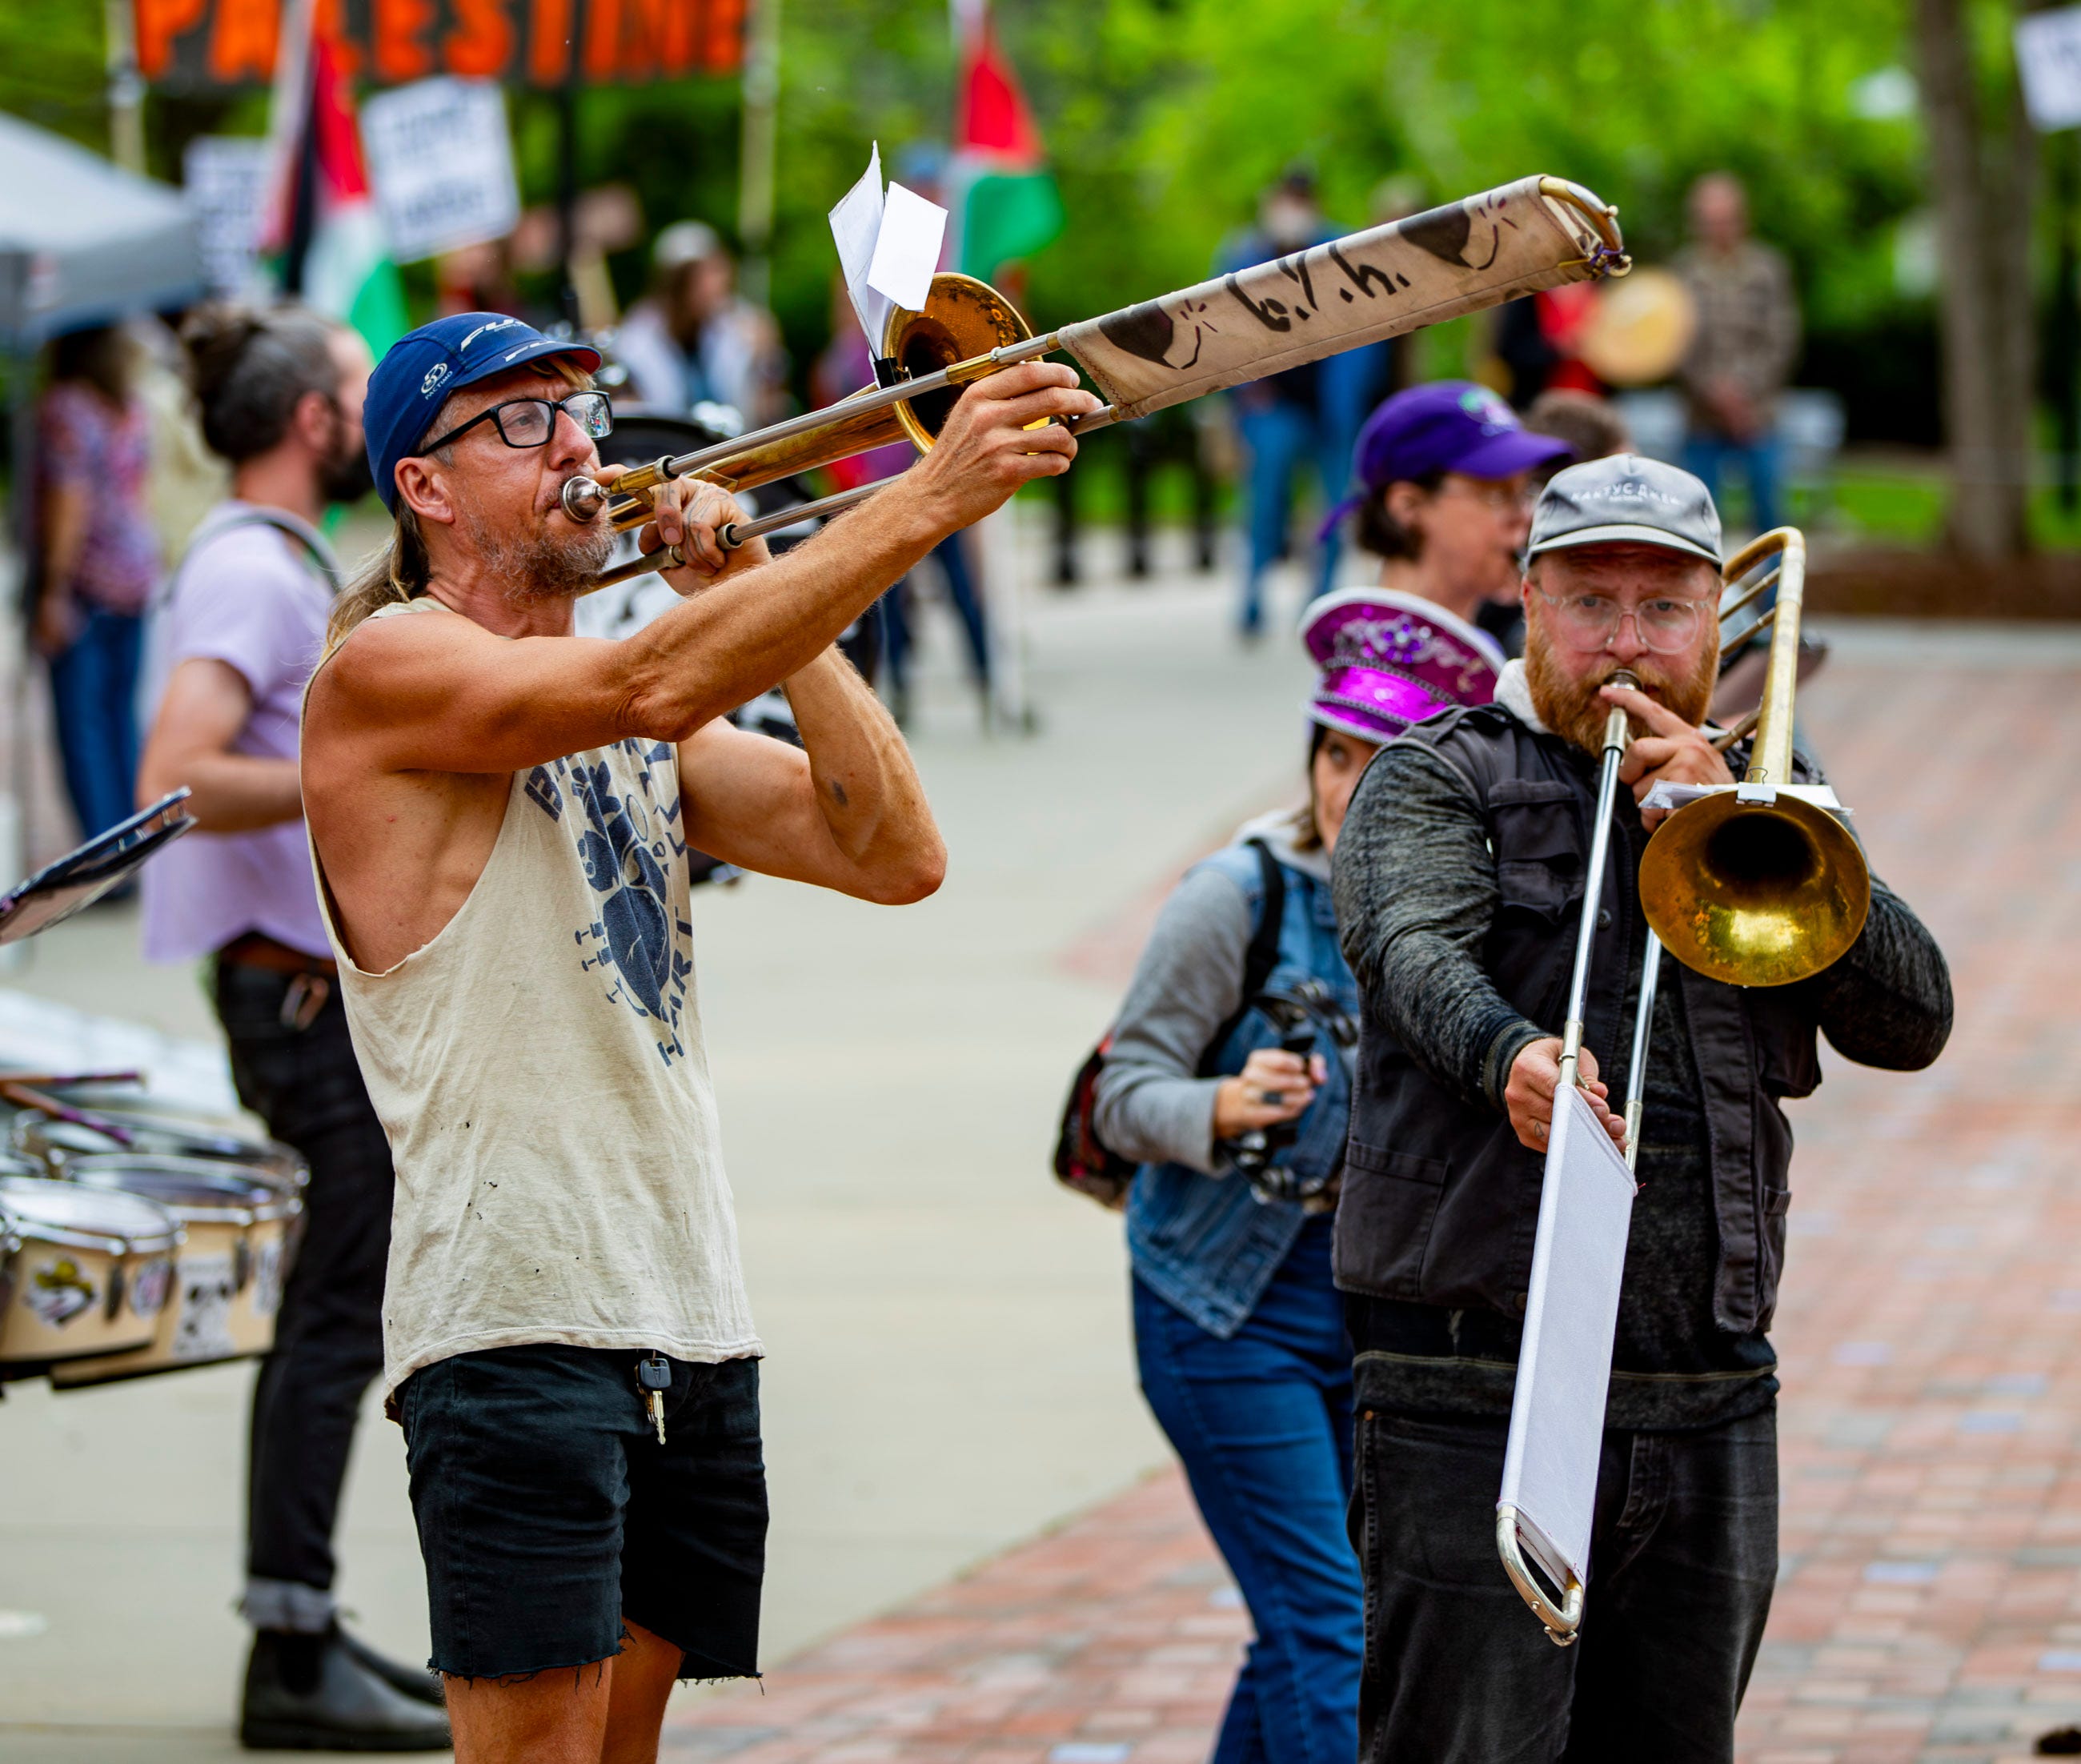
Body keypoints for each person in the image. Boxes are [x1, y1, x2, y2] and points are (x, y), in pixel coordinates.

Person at [299, 311, 1097, 1761]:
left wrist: (771, 581)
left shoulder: (636, 722)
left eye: (578, 405)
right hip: (512, 1312)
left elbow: (892, 850)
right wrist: (930, 495)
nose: (579, 444)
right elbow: (647, 678)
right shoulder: (385, 670)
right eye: (522, 421)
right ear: (425, 486)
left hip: (681, 1308)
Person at [1329, 455, 1952, 1762]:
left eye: (1664, 609)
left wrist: (1731, 804)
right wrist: (1511, 1053)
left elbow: (1912, 1017)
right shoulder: (1437, 769)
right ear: (1525, 599)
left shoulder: (1767, 793)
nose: (1627, 642)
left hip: (1708, 1386)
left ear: (1717, 620)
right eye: (1591, 602)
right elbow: (1407, 945)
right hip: (1468, 1384)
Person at [1092, 578, 1504, 1764]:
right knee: (1335, 1623)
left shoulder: (1460, 917)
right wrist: (1218, 1105)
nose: (1349, 784)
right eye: (1334, 751)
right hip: (1220, 1312)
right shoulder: (1239, 895)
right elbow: (1124, 1096)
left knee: (1304, 1626)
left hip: (1368, 1317)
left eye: (1384, 760)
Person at [134, 304, 450, 1752]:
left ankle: (306, 1622)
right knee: (333, 1316)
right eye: (354, 387)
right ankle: (289, 1641)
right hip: (292, 989)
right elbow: (185, 774)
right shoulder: (255, 575)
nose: (371, 409)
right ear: (315, 423)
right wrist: (350, 756)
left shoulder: (264, 562)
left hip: (292, 976)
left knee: (337, 1310)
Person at [1321, 380, 1574, 661]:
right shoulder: (1377, 675)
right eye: (1497, 495)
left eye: (1526, 491)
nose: (1525, 516)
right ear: (1408, 506)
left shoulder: (1473, 647)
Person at [34, 323, 160, 843]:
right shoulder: (128, 405)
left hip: (89, 582)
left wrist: (52, 588)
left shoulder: (65, 408)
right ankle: (131, 842)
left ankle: (104, 851)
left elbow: (71, 500)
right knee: (120, 717)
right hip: (134, 571)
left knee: (83, 724)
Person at [1221, 167, 1349, 636]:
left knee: (1335, 509)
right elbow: (1217, 328)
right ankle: (1252, 595)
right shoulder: (1245, 254)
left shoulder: (1341, 251)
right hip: (1271, 406)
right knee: (1264, 503)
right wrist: (1243, 397)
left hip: (1332, 406)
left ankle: (1321, 604)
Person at [1676, 173, 1799, 535]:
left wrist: (1743, 392)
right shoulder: (1683, 272)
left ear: (1742, 218)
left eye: (1725, 219)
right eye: (1709, 221)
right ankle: (1703, 592)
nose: (1718, 229)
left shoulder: (1768, 268)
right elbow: (1674, 342)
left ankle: (1775, 592)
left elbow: (1782, 337)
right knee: (1695, 520)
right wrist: (1713, 392)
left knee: (1770, 518)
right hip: (1701, 418)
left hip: (1758, 416)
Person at [615, 220, 786, 426]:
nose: (715, 284)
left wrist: (766, 364)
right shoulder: (633, 343)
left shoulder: (746, 327)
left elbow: (770, 413)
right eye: (702, 275)